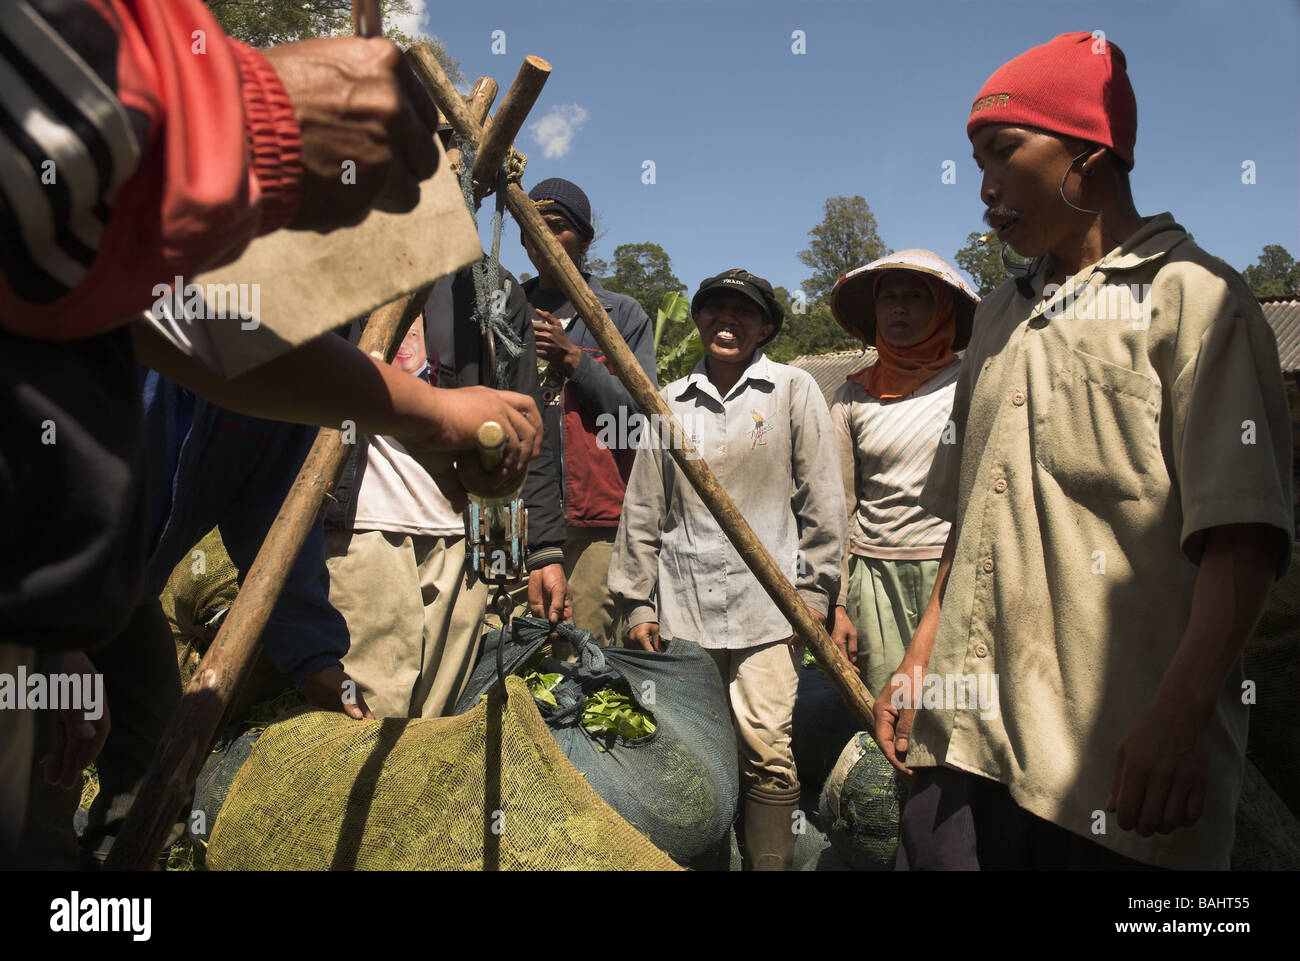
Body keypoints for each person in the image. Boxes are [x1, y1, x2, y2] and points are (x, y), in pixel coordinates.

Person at [0, 0, 539, 865]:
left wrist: (316, 658)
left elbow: (266, 509)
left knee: (136, 765)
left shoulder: (273, 342)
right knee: (37, 795)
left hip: (113, 589)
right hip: (34, 574)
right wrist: (249, 105)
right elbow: (194, 329)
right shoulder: (148, 269)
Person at [875, 32, 1294, 871]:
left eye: (1003, 153)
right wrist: (921, 654)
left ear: (1090, 152)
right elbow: (969, 515)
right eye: (975, 161)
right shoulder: (996, 315)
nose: (984, 187)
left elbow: (1242, 539)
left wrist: (1180, 716)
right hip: (968, 745)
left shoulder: (1196, 301)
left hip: (1113, 767)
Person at [609, 269, 846, 870]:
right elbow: (643, 508)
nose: (726, 321)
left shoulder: (792, 389)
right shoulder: (668, 399)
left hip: (771, 611)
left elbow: (822, 501)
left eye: (743, 312)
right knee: (693, 753)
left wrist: (814, 596)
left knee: (768, 749)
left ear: (765, 327)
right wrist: (638, 602)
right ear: (698, 320)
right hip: (684, 608)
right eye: (714, 308)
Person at [325, 263, 540, 718]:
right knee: (367, 717)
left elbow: (525, 432)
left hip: (465, 533)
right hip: (365, 524)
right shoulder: (349, 262)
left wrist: (534, 552)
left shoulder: (495, 289)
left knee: (442, 718)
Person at [827, 251, 979, 695]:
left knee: (955, 709)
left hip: (954, 569)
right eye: (888, 296)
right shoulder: (852, 396)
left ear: (942, 310)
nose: (899, 306)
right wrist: (838, 602)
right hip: (874, 577)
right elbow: (838, 504)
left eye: (915, 296)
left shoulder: (971, 381)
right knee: (884, 705)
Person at [518, 179, 658, 648]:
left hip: (598, 523)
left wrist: (574, 360)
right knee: (523, 650)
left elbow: (641, 419)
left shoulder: (620, 315)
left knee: (585, 650)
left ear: (584, 237)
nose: (542, 238)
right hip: (521, 520)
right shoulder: (506, 307)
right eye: (531, 227)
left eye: (556, 227)